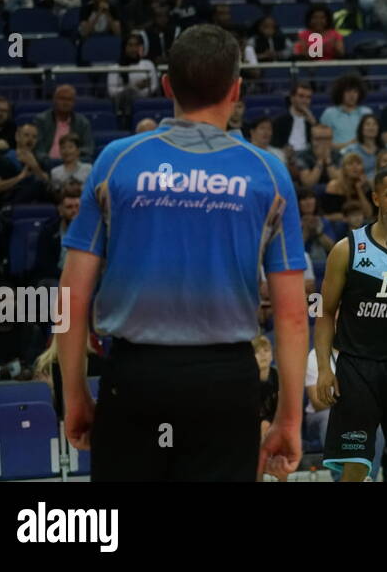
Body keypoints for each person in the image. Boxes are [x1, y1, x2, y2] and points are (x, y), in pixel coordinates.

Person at [57, 24, 308, 480]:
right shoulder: (268, 174)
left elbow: (70, 297)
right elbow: (291, 315)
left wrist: (73, 394)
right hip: (226, 382)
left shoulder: (117, 160)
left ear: (167, 84)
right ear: (236, 89)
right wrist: (290, 416)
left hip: (134, 378)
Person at [312, 166, 387, 482]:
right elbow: (325, 314)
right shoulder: (347, 249)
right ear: (376, 197)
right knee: (356, 467)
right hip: (357, 369)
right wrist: (324, 368)